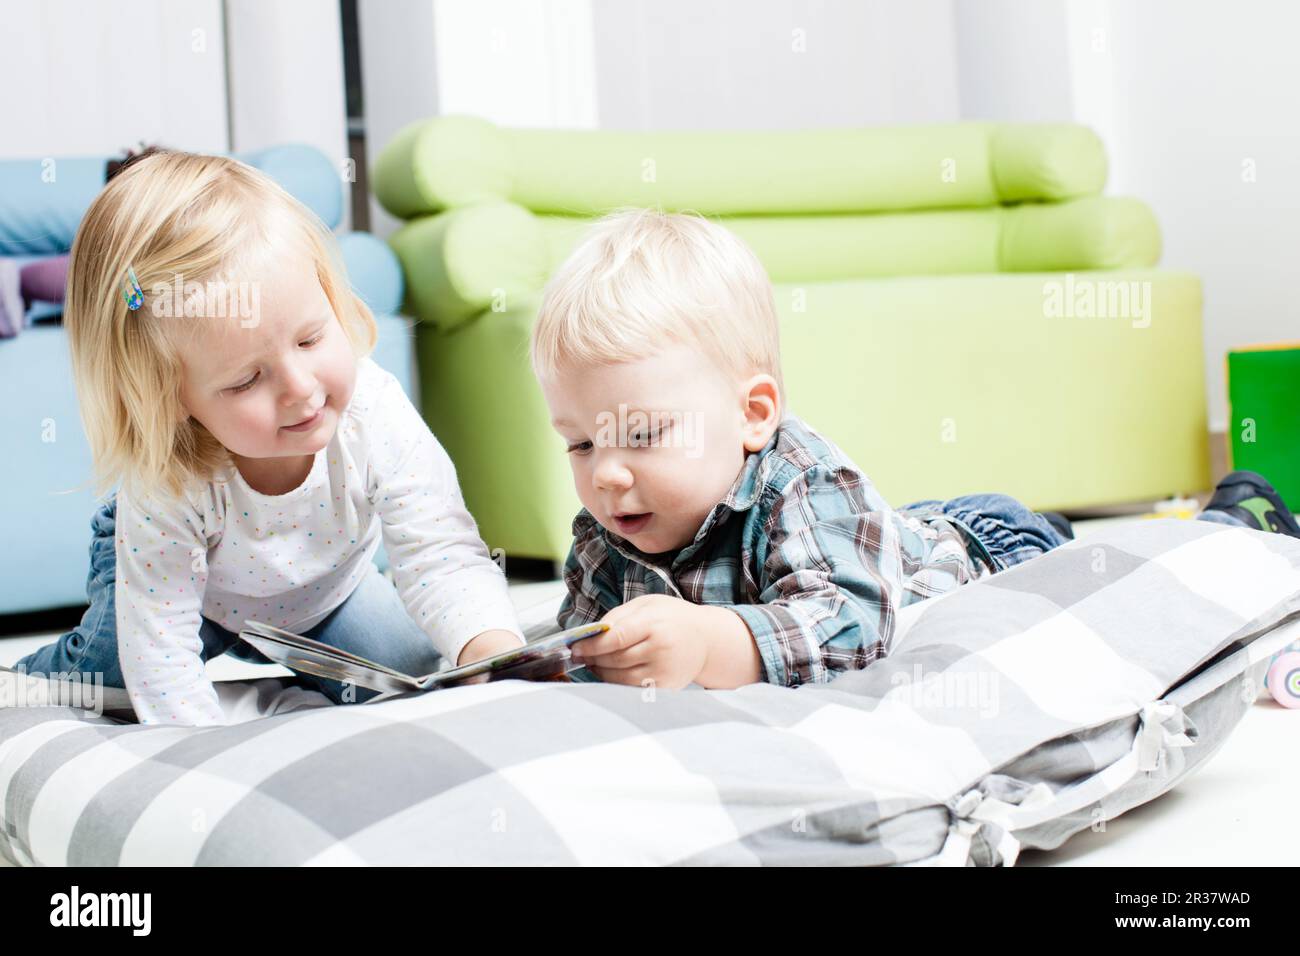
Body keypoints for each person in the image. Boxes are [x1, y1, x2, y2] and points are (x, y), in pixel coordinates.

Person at [528, 209, 1299, 690]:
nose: (607, 472)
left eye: (643, 433)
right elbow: (582, 638)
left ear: (752, 413)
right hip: (897, 529)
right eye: (580, 442)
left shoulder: (803, 481)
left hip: (983, 547)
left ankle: (1235, 520)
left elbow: (854, 626)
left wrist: (709, 643)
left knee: (1124, 583)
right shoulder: (610, 522)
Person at [15, 149, 525, 726]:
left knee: (413, 678)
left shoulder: (372, 412)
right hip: (179, 588)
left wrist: (490, 647)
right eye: (248, 379)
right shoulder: (169, 476)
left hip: (323, 592)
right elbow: (159, 658)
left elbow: (439, 549)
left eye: (310, 340)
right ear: (172, 399)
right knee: (106, 682)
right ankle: (20, 681)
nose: (302, 389)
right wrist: (204, 764)